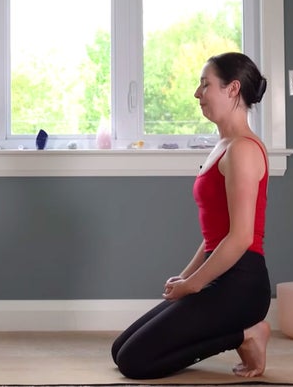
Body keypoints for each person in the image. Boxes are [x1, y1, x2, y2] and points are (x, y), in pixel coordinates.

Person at [111, 52, 271, 379]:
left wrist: (193, 285)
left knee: (134, 362)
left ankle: (246, 334)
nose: (198, 94)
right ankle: (240, 332)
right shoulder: (223, 145)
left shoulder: (243, 149)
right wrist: (185, 278)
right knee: (120, 349)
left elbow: (240, 237)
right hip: (218, 273)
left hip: (240, 285)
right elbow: (216, 235)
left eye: (205, 85)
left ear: (232, 89)